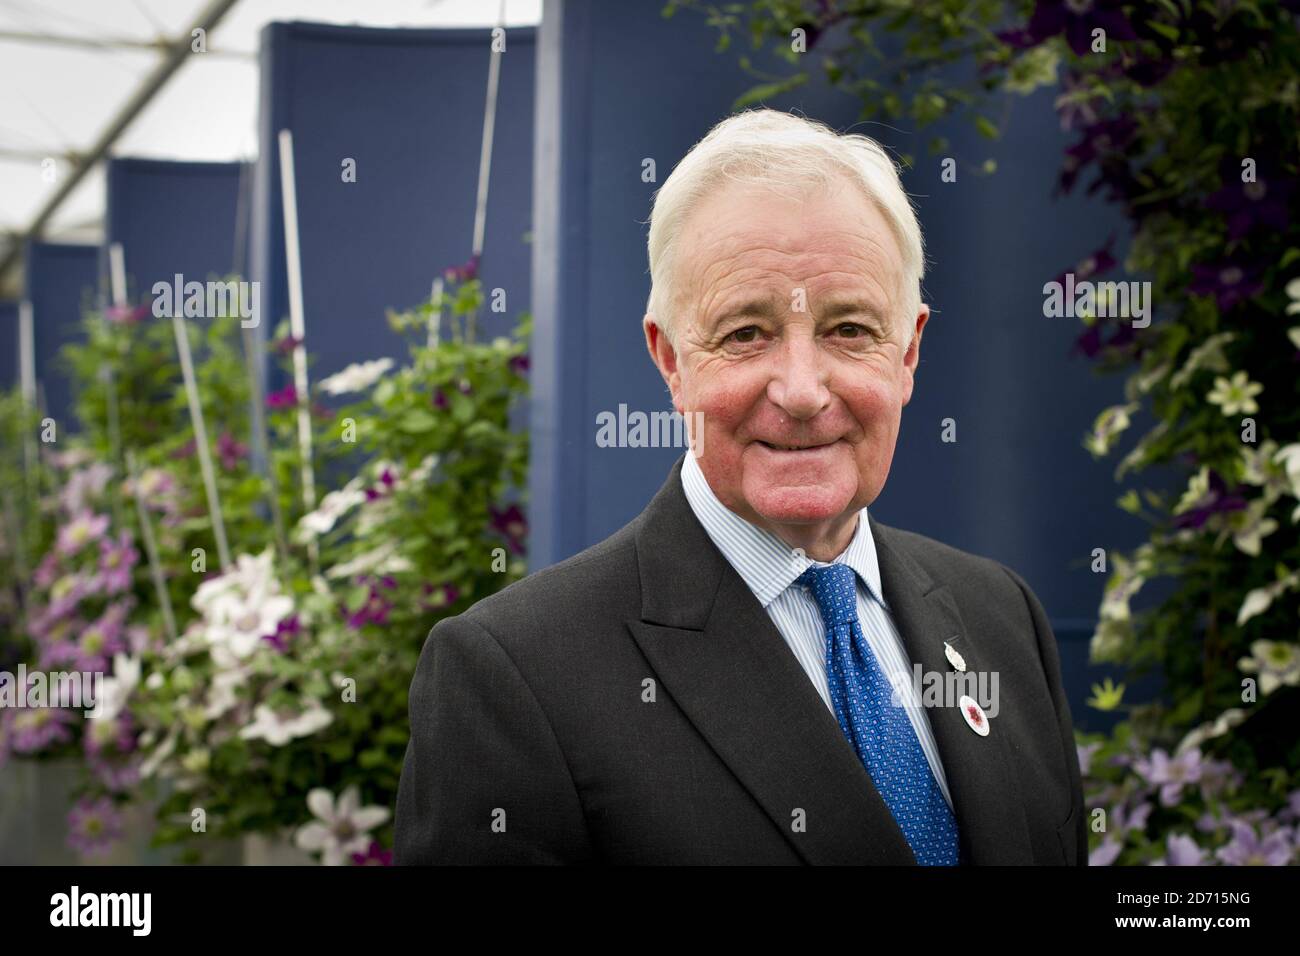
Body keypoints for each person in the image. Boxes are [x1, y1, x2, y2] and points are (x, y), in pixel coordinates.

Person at [395, 108, 1086, 865]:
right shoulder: (513, 678)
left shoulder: (1001, 619)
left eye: (849, 329)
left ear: (909, 351)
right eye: (745, 334)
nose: (800, 390)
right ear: (670, 361)